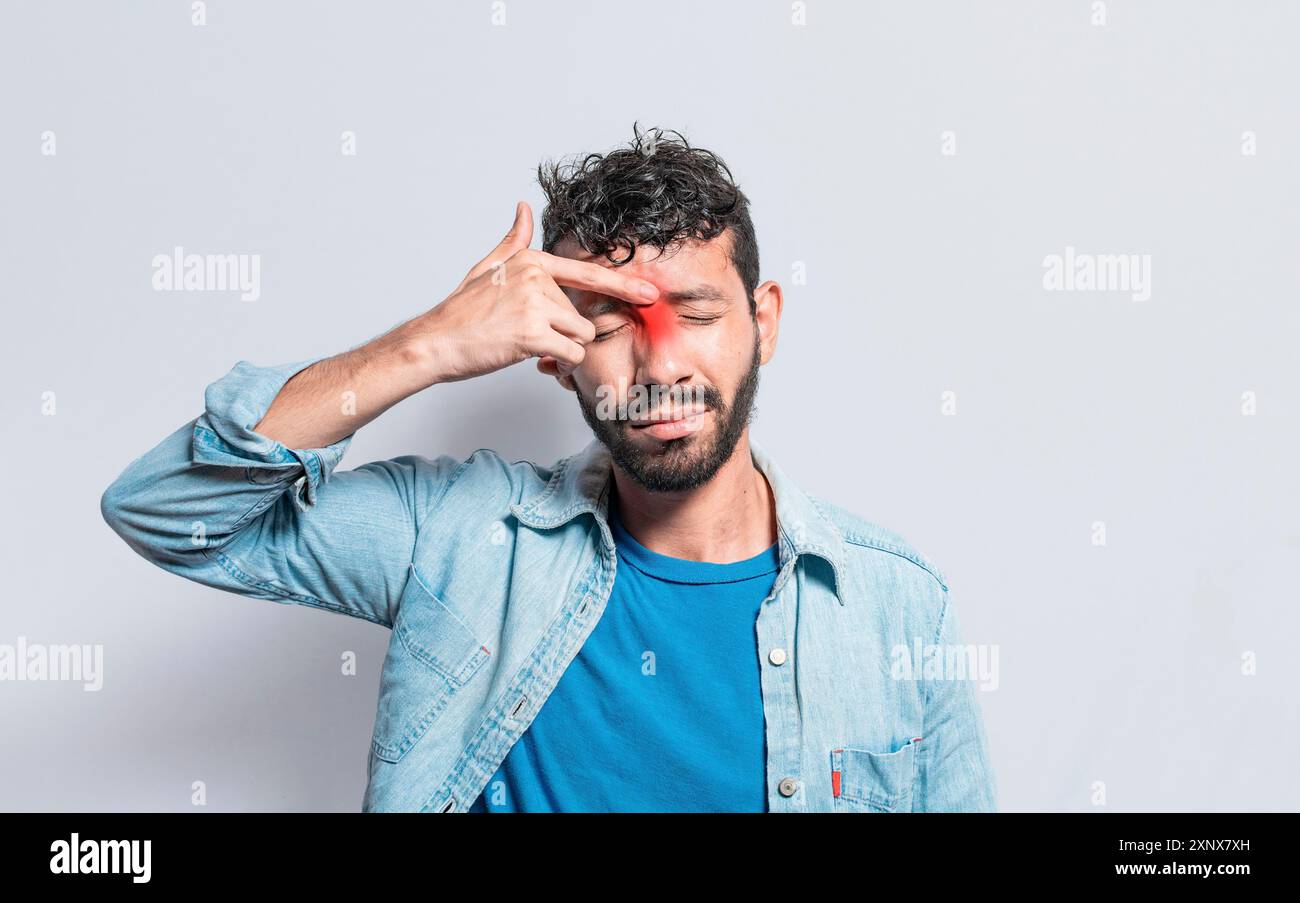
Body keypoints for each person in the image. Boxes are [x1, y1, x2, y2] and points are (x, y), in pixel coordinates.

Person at [101, 125, 997, 813]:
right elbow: (169, 509)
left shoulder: (895, 604)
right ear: (551, 353)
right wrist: (428, 346)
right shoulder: (456, 535)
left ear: (765, 321)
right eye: (609, 324)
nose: (662, 365)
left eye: (696, 312)